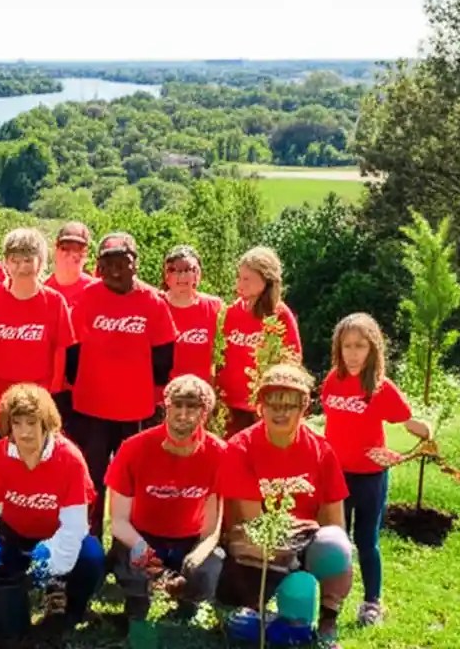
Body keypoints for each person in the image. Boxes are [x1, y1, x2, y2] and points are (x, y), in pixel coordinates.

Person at [218, 363, 353, 645]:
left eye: (290, 405)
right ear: (260, 407)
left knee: (335, 545)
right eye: (273, 404)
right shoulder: (240, 447)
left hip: (303, 542)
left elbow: (335, 521)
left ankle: (328, 619)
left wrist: (330, 562)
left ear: (304, 408)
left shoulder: (321, 450)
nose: (280, 413)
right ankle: (255, 609)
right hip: (255, 547)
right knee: (287, 615)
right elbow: (254, 522)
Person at [321, 312, 432, 626]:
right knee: (333, 539)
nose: (353, 353)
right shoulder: (333, 380)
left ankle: (372, 602)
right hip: (336, 475)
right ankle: (330, 600)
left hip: (370, 477)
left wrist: (424, 432)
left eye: (360, 346)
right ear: (338, 349)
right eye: (347, 346)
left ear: (373, 349)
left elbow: (407, 422)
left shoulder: (380, 388)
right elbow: (334, 424)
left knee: (366, 540)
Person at [65, 232, 177, 536]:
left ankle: (127, 546)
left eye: (122, 262)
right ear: (99, 266)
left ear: (135, 263)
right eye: (108, 263)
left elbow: (164, 354)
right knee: (93, 476)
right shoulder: (87, 297)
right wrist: (76, 388)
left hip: (136, 410)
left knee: (132, 481)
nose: (115, 270)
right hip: (92, 407)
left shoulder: (152, 300)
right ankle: (90, 541)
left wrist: (154, 400)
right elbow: (72, 349)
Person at [0, 383, 105, 635]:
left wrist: (51, 559)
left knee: (92, 558)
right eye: (17, 423)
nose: (24, 432)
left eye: (31, 423)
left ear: (46, 424)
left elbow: (75, 525)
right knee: (1, 581)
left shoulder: (70, 459)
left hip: (59, 534)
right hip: (14, 535)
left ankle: (71, 608)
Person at [105, 375, 226, 625]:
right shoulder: (134, 448)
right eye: (176, 406)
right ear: (165, 408)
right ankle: (136, 604)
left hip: (188, 539)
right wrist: (148, 556)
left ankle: (188, 605)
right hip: (141, 535)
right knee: (133, 562)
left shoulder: (219, 453)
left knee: (209, 565)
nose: (183, 414)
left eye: (192, 407)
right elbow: (117, 522)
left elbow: (212, 529)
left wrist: (198, 556)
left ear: (205, 413)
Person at [0, 228, 74, 466]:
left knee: (33, 471)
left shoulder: (54, 301)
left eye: (28, 259)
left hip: (35, 404)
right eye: (14, 260)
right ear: (5, 262)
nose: (21, 267)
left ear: (41, 262)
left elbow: (60, 355)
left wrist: (51, 402)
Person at [219, 247, 302, 437]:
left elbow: (293, 359)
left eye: (247, 279)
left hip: (264, 406)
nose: (240, 283)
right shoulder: (230, 313)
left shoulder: (280, 315)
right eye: (239, 277)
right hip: (230, 405)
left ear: (266, 280)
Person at [162, 245, 223, 384]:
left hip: (200, 394)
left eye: (189, 270)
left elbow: (221, 355)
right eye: (174, 270)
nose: (182, 276)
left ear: (198, 274)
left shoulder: (215, 306)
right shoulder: (156, 305)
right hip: (164, 394)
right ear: (166, 276)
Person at [44, 222, 99, 309]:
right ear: (55, 249)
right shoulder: (43, 292)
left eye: (77, 249)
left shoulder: (96, 291)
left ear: (86, 253)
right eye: (65, 248)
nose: (72, 254)